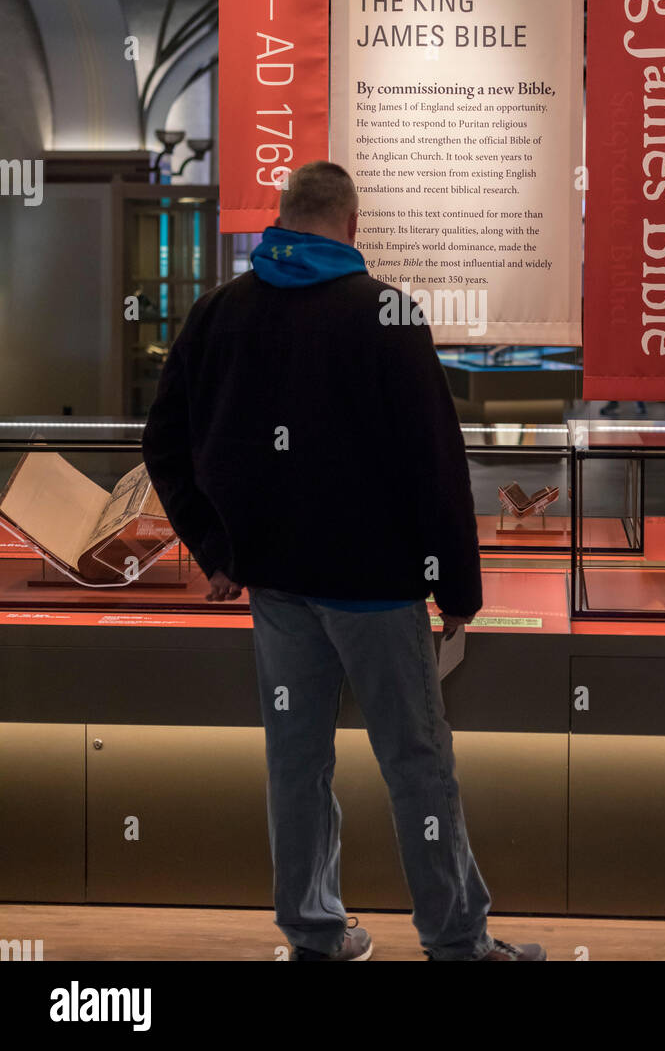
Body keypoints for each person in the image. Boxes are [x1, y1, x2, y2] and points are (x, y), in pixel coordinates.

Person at [142, 161, 544, 963]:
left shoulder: (219, 312)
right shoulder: (386, 314)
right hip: (376, 591)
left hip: (278, 590)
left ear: (283, 220)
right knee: (416, 764)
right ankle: (457, 942)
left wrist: (218, 550)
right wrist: (457, 585)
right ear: (352, 225)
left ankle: (315, 934)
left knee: (295, 764)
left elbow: (164, 443)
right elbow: (435, 462)